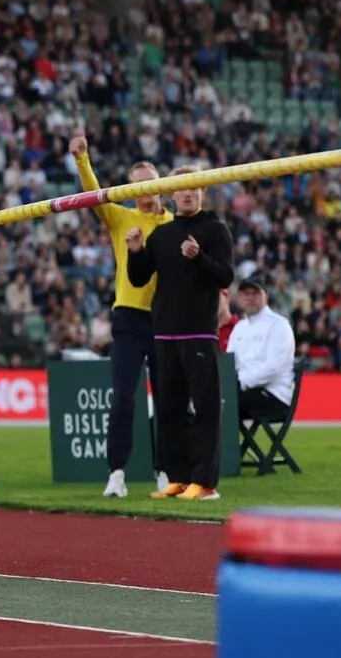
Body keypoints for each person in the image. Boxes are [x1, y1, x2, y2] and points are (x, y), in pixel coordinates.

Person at [68, 134, 173, 498]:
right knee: (124, 397)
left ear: (163, 184)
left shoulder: (175, 223)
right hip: (128, 318)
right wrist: (83, 159)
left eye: (151, 182)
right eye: (138, 184)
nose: (145, 189)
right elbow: (93, 194)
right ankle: (117, 474)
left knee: (166, 399)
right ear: (131, 190)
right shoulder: (121, 218)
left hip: (164, 319)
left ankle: (165, 471)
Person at [126, 165, 235, 501]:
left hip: (199, 332)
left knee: (204, 409)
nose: (187, 194)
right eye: (182, 188)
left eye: (194, 188)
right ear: (172, 193)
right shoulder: (162, 235)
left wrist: (199, 257)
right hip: (164, 333)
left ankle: (205, 484)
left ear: (201, 192)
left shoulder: (216, 231)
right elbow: (139, 279)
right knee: (169, 409)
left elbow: (225, 277)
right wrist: (135, 252)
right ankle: (177, 479)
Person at [225, 274, 296, 419]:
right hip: (246, 391)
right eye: (246, 293)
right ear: (239, 298)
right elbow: (229, 364)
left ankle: (223, 442)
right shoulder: (239, 328)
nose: (250, 298)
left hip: (274, 395)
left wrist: (240, 383)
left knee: (220, 402)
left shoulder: (279, 325)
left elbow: (273, 367)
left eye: (255, 293)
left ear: (266, 297)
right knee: (211, 400)